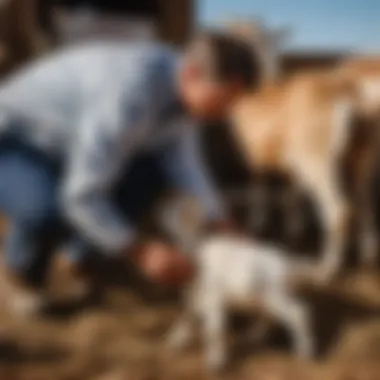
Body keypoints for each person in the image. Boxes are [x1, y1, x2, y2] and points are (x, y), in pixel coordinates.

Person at [0, 31, 261, 315]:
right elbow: (81, 195)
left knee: (149, 174)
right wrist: (140, 251)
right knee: (45, 207)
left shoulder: (182, 94)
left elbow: (185, 164)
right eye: (225, 98)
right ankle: (20, 275)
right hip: (16, 141)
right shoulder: (129, 94)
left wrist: (217, 219)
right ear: (193, 74)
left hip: (67, 145)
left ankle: (79, 258)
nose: (227, 111)